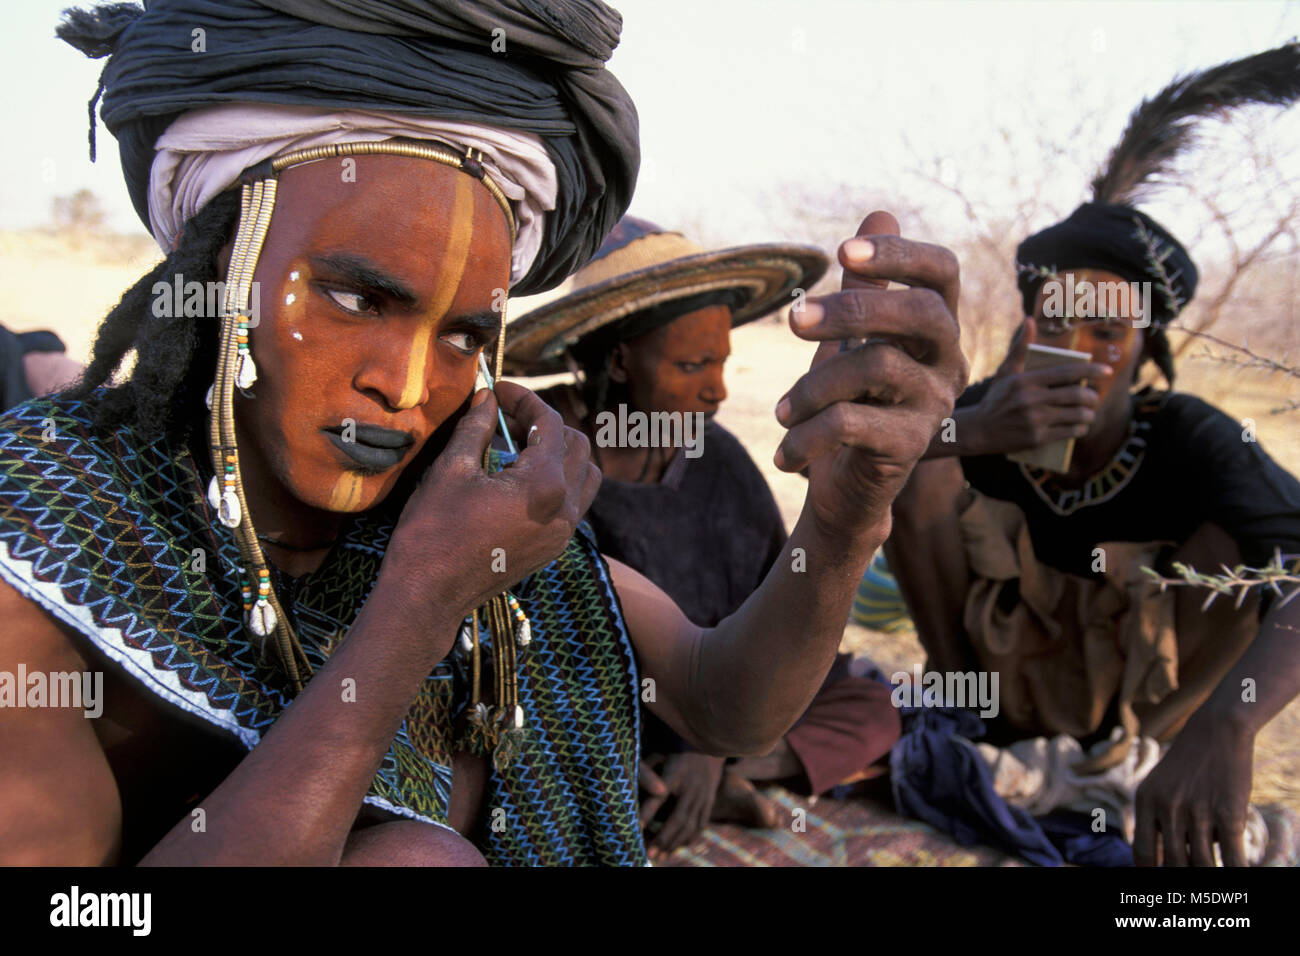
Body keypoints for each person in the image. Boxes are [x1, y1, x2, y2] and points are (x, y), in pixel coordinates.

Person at [0, 0, 966, 866]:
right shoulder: (52, 532)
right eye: (355, 295)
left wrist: (846, 519)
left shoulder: (476, 508)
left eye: (464, 334)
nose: (408, 383)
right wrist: (420, 601)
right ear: (223, 272)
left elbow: (725, 705)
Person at [885, 44, 1300, 866]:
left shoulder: (1187, 434)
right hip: (993, 689)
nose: (1081, 353)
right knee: (917, 465)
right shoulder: (980, 420)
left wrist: (1232, 720)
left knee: (1247, 548)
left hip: (1141, 711)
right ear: (1023, 328)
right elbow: (850, 481)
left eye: (1108, 334)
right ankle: (979, 729)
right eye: (1056, 324)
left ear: (1144, 353)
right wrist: (973, 431)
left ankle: (1139, 757)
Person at [505, 217, 902, 858]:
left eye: (720, 364)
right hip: (596, 719)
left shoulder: (713, 456)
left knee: (872, 705)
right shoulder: (535, 446)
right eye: (692, 365)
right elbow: (518, 643)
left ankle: (718, 780)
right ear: (618, 360)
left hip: (732, 704)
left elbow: (779, 599)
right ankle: (662, 779)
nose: (716, 391)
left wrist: (711, 751)